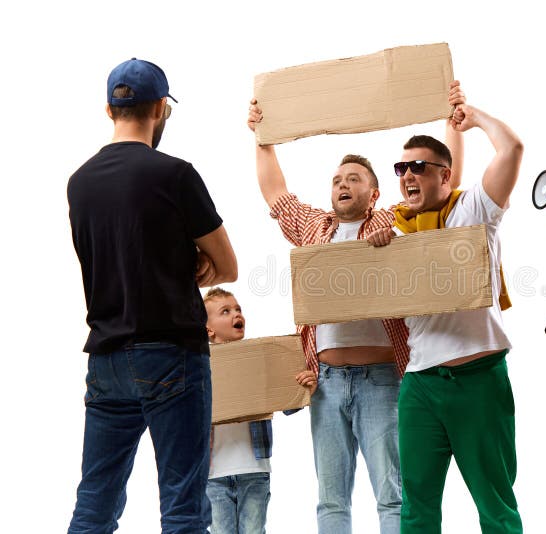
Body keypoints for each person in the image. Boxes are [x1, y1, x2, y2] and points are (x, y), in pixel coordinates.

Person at [246, 81, 465, 534]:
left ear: (375, 194)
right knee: (331, 501)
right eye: (337, 180)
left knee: (392, 495)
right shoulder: (313, 227)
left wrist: (453, 121)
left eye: (354, 179)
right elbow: (274, 193)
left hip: (381, 381)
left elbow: (444, 188)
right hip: (325, 384)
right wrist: (262, 136)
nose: (343, 184)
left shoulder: (391, 220)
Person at [67, 58, 237, 534]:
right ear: (161, 108)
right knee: (183, 509)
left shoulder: (78, 184)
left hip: (105, 360)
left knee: (94, 507)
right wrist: (186, 265)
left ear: (108, 110)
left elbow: (113, 259)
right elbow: (228, 267)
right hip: (171, 356)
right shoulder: (176, 175)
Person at [369, 101, 524, 533]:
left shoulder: (474, 209)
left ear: (445, 175)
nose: (408, 176)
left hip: (478, 376)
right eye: (401, 169)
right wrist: (380, 251)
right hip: (420, 383)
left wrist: (475, 119)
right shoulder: (396, 231)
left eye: (419, 166)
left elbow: (511, 149)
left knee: (495, 504)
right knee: (416, 509)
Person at [203, 287, 317, 534]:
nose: (236, 314)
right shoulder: (200, 367)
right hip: (213, 474)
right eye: (226, 311)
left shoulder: (258, 361)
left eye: (238, 309)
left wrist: (303, 385)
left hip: (254, 470)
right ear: (209, 329)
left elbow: (283, 400)